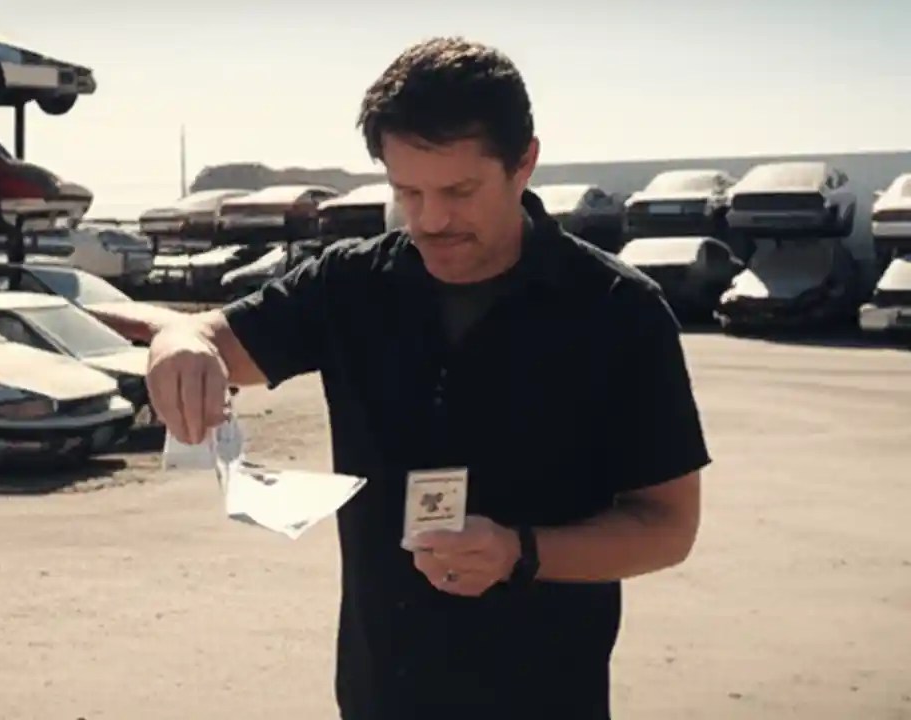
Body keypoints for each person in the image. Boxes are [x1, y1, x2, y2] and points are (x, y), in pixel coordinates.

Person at [146, 36, 710, 719]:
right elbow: (210, 334)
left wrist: (519, 552)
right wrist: (180, 343)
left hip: (543, 699)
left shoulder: (619, 311)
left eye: (460, 190)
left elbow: (668, 526)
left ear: (523, 163)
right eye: (406, 191)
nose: (431, 219)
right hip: (380, 698)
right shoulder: (350, 285)